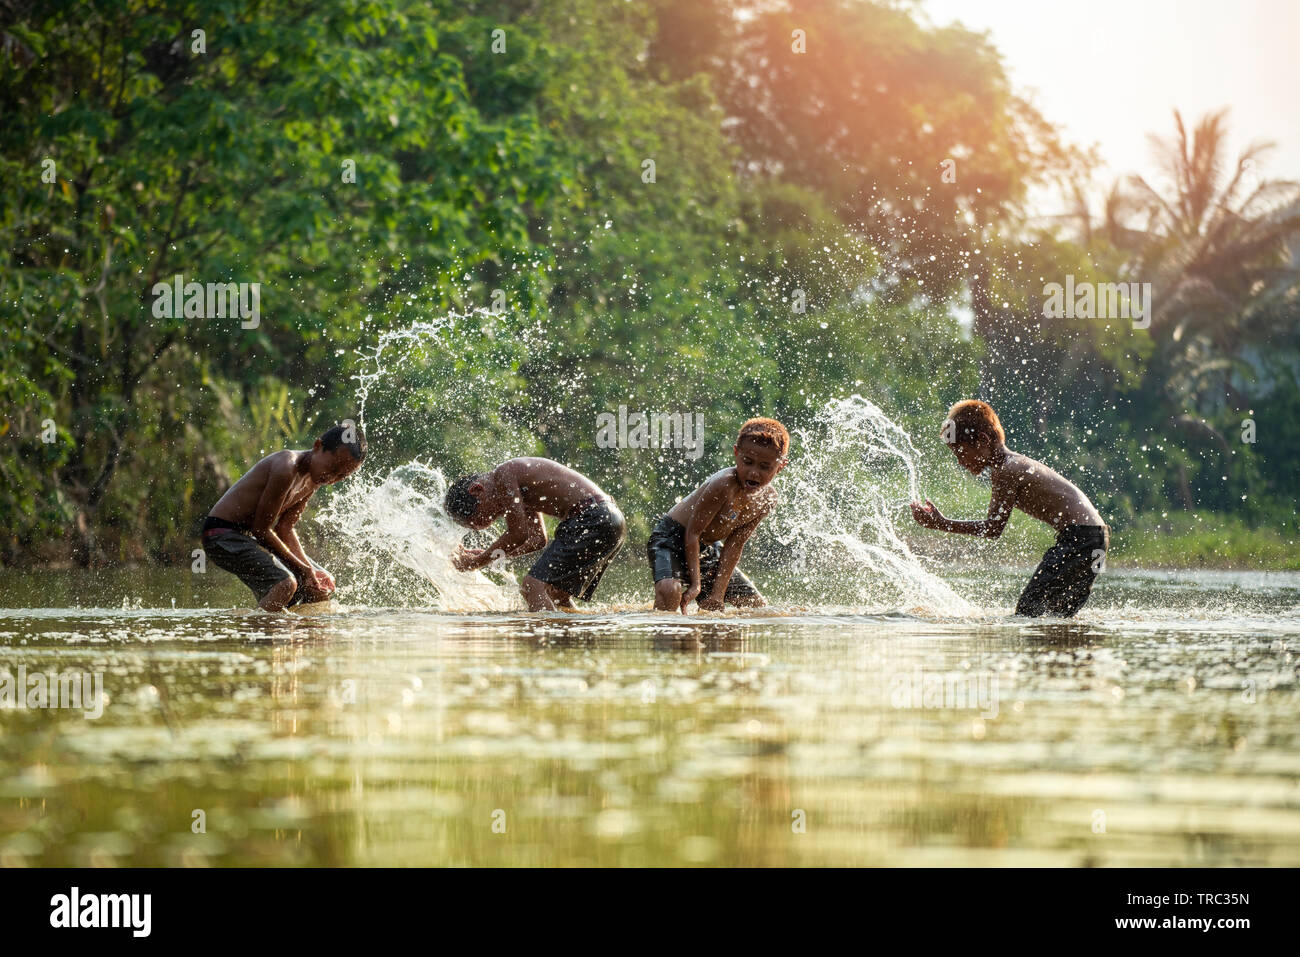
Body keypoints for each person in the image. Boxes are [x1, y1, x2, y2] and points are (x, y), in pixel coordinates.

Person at [910, 399, 1108, 617]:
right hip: (1095, 538)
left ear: (983, 441)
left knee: (1028, 612)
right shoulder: (1013, 464)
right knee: (1056, 616)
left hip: (1081, 538)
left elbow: (993, 529)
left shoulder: (1006, 470)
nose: (960, 461)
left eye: (960, 452)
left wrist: (942, 524)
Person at [201, 423, 366, 611]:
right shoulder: (286, 468)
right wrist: (304, 570)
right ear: (317, 446)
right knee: (286, 584)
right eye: (333, 467)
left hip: (249, 537)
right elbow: (261, 529)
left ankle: (294, 636)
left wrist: (309, 572)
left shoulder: (314, 480)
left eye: (341, 476)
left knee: (320, 587)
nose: (331, 478)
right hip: (220, 535)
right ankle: (255, 633)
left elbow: (285, 528)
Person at [444, 458, 626, 611]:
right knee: (556, 595)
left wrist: (478, 562)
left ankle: (545, 647)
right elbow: (537, 539)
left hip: (592, 517)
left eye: (489, 515)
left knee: (532, 586)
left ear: (477, 489)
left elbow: (518, 534)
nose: (498, 515)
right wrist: (489, 556)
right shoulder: (518, 487)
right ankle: (574, 642)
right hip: (609, 519)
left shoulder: (503, 475)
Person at [647, 417, 789, 613]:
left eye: (764, 467)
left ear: (780, 466)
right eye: (748, 462)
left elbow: (735, 544)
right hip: (672, 538)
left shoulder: (767, 500)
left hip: (706, 548)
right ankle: (666, 633)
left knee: (756, 608)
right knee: (670, 590)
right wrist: (696, 585)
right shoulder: (723, 484)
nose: (753, 473)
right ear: (736, 453)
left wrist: (717, 595)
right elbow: (692, 533)